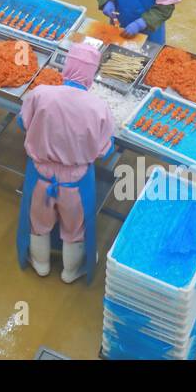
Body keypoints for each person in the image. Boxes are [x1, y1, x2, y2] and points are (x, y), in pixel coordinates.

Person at [17, 41, 115, 284]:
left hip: (40, 175)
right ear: (91, 75)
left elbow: (23, 124)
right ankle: (70, 272)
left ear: (67, 67)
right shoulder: (99, 107)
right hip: (76, 181)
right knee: (75, 230)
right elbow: (106, 149)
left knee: (38, 223)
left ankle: (40, 264)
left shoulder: (40, 94)